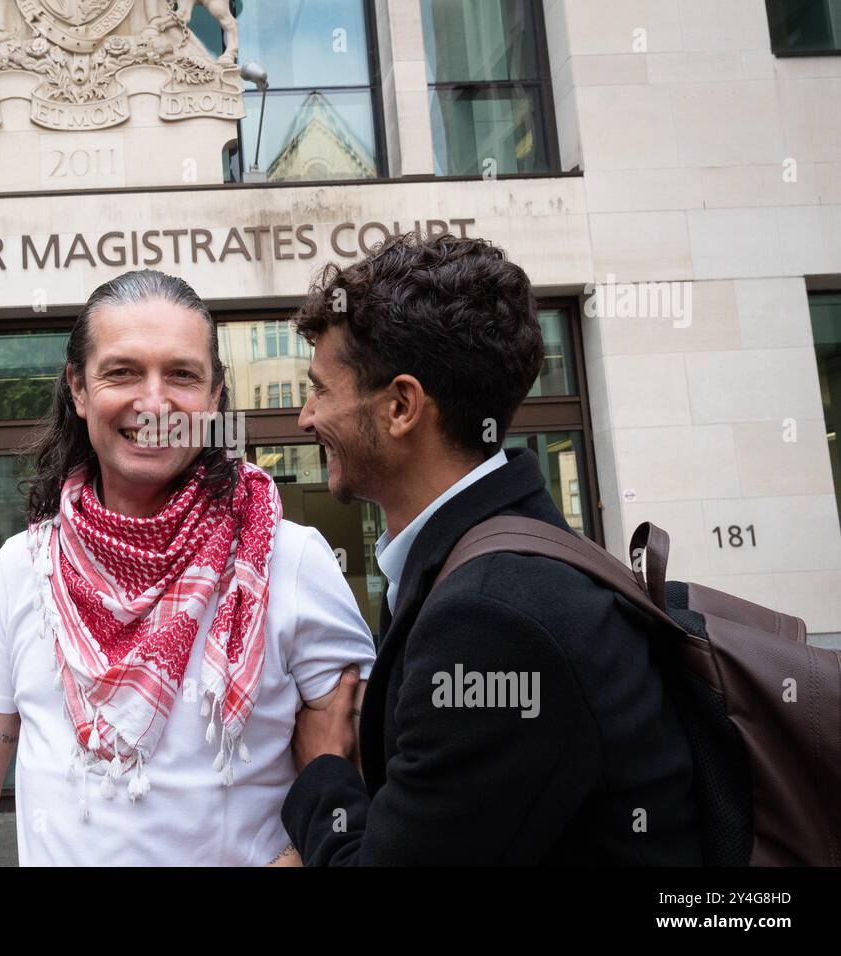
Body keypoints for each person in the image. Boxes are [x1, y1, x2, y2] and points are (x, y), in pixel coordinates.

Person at [0, 269, 375, 866]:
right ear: (78, 390)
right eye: (122, 371)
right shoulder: (24, 566)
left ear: (214, 398)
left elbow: (363, 795)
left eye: (182, 375)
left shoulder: (289, 561)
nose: (155, 402)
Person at [282, 233, 703, 865]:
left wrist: (321, 773)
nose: (304, 417)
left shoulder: (493, 616)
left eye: (321, 389)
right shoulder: (494, 563)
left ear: (401, 406)